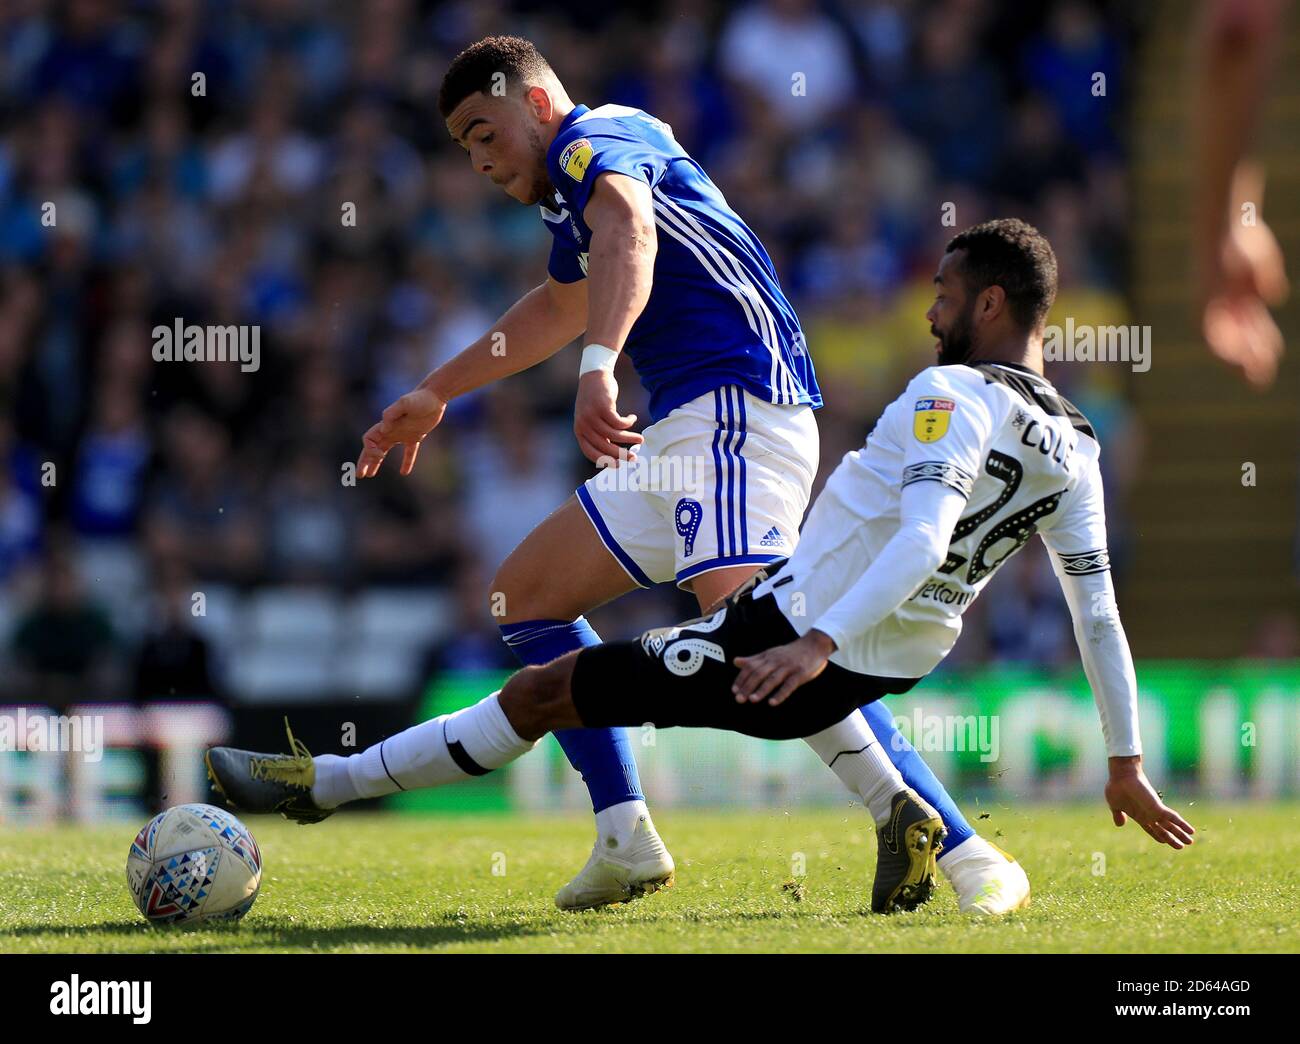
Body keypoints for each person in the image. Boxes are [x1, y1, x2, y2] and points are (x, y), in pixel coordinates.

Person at [208, 220, 1195, 914]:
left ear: (987, 300)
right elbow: (1097, 614)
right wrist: (1125, 762)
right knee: (545, 623)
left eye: (940, 292)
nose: (927, 308)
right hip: (896, 656)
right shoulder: (1075, 445)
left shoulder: (953, 393)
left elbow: (925, 533)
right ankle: (941, 845)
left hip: (790, 632)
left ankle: (325, 786)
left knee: (545, 690)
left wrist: (813, 639)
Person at [348, 35, 1021, 914]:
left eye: (483, 131)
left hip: (739, 409)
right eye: (463, 147)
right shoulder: (572, 193)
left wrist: (598, 368)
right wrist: (439, 389)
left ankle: (966, 854)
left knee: (752, 636)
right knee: (527, 595)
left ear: (537, 103)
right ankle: (625, 835)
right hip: (683, 430)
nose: (477, 160)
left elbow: (629, 229)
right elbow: (560, 303)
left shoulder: (595, 143)